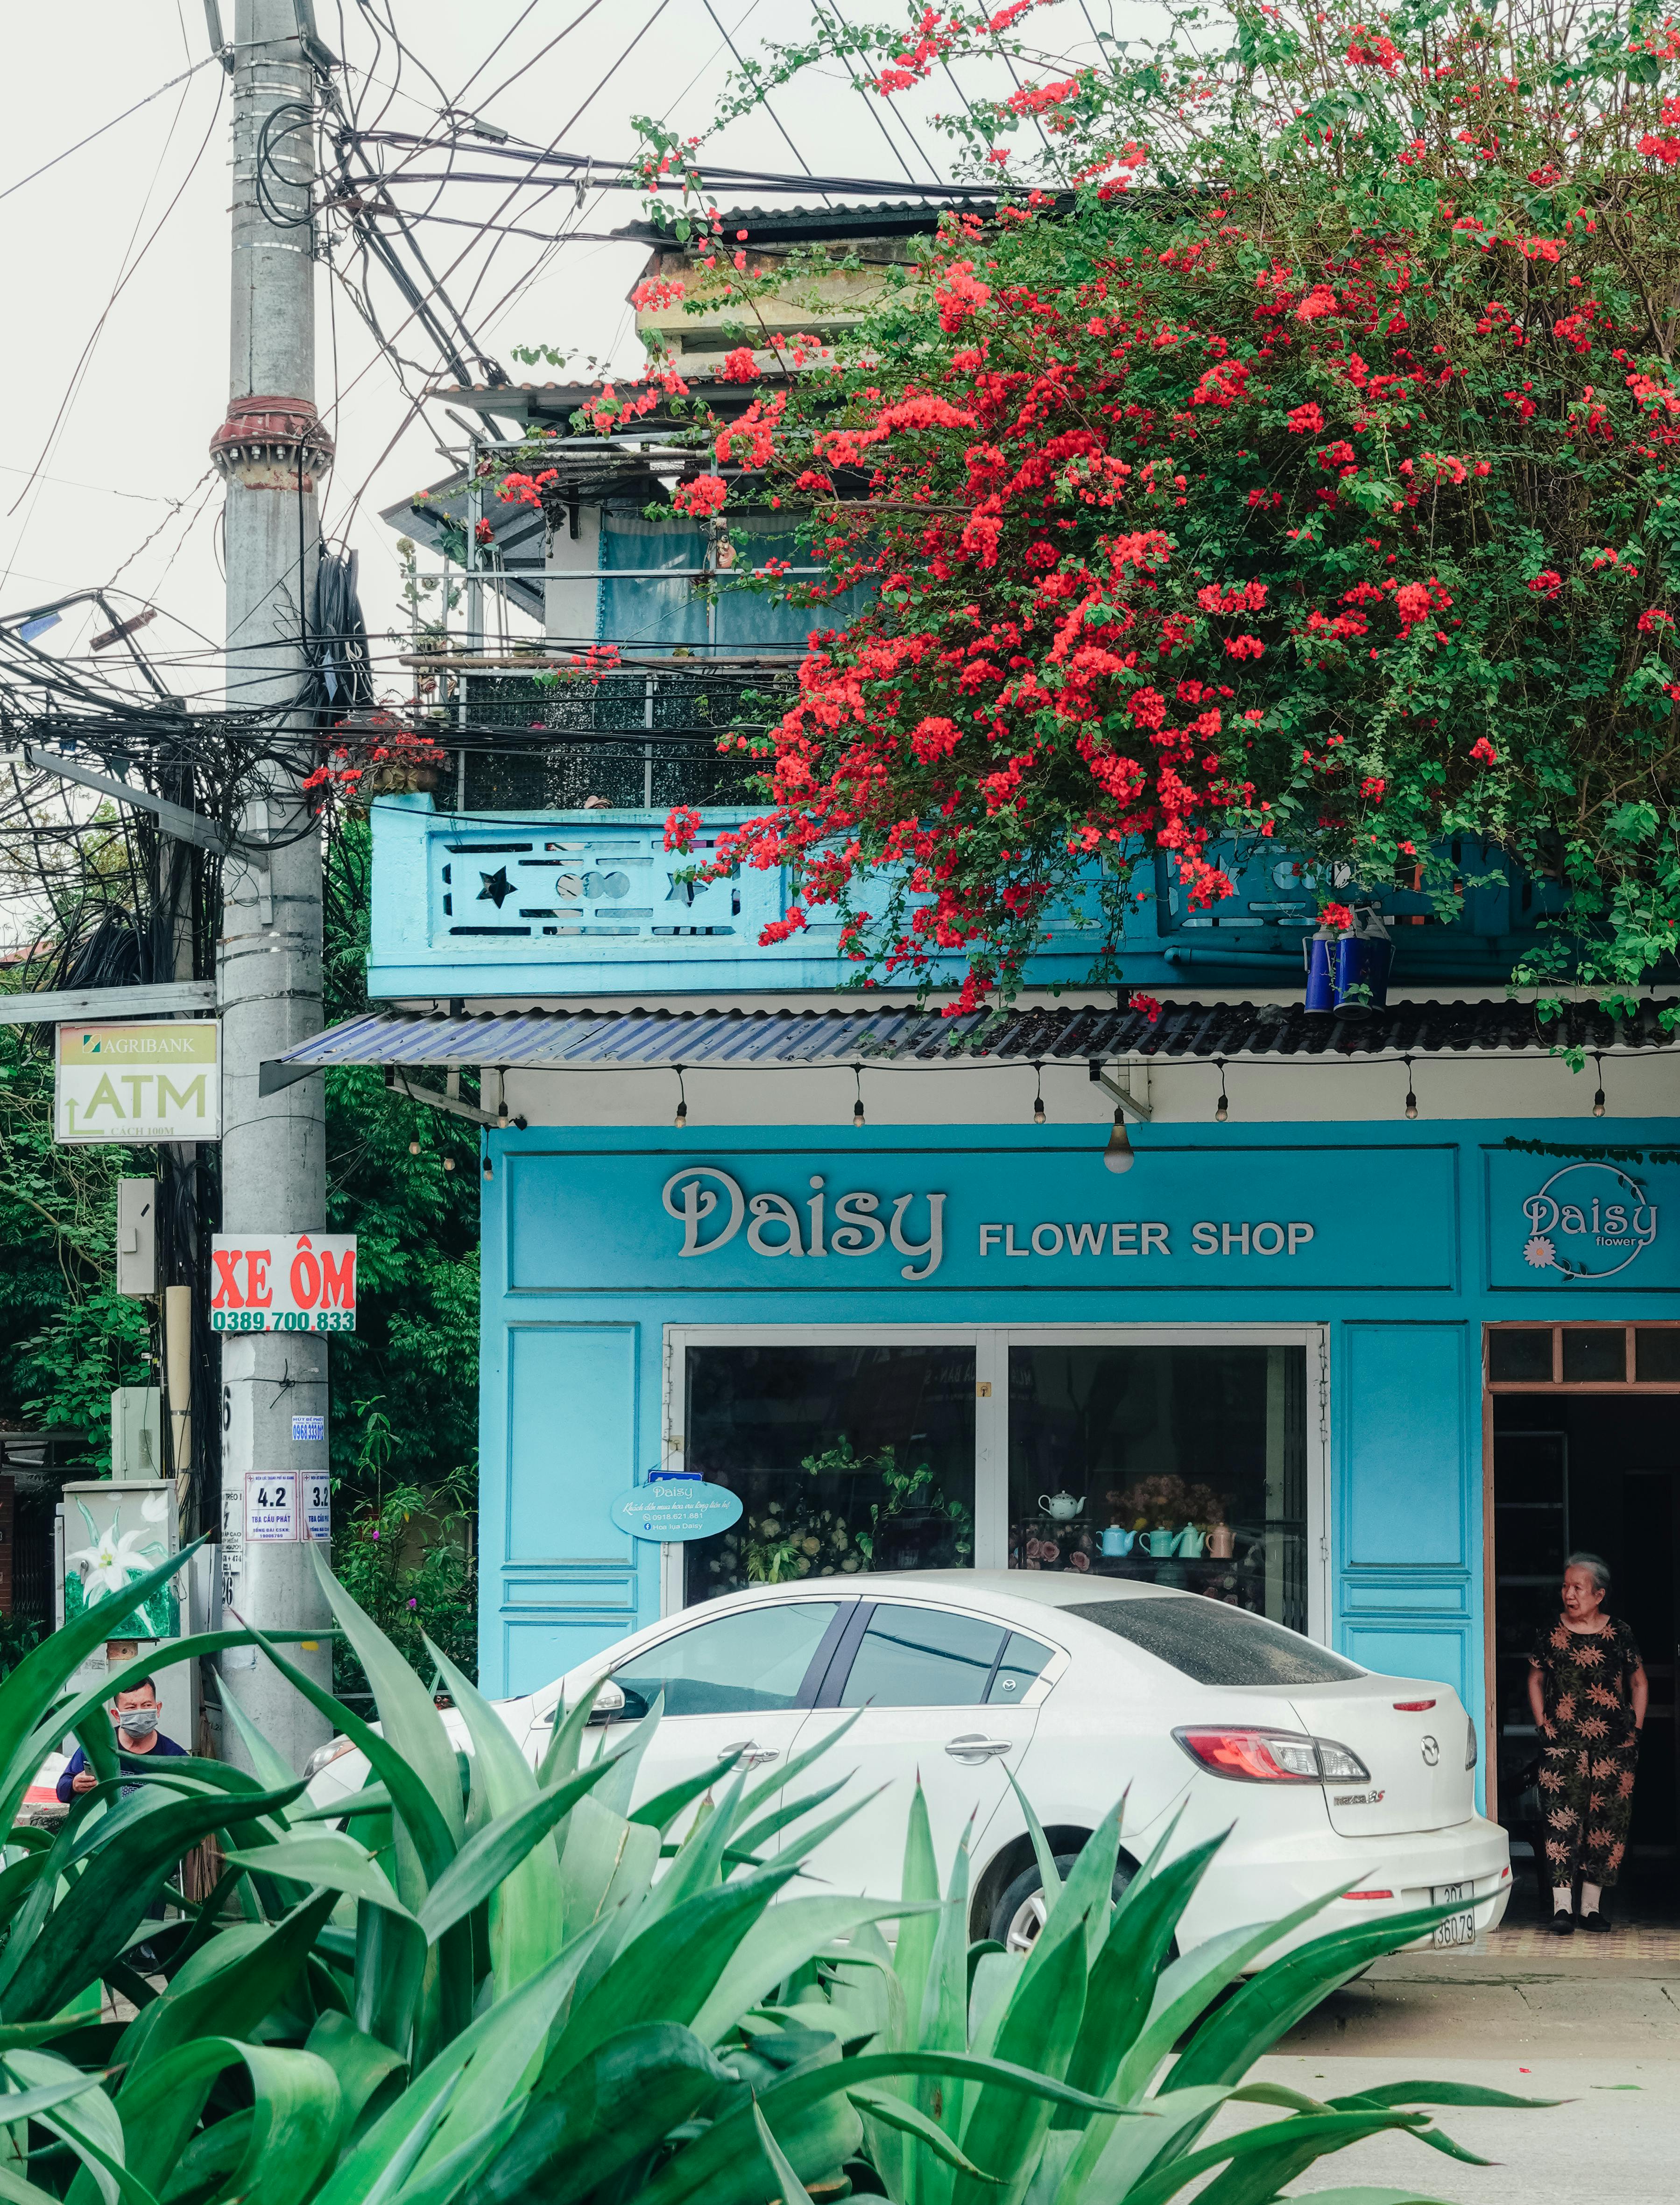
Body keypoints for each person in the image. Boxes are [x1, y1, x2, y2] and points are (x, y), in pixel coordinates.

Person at [1526, 1553, 1647, 1933]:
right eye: (1565, 1586)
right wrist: (1542, 1723)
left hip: (1614, 1748)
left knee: (1605, 1824)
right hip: (1562, 1744)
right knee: (1561, 1820)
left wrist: (1636, 1730)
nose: (1568, 1594)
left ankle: (1590, 1908)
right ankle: (1562, 1908)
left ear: (1599, 1595)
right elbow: (1535, 1679)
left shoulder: (1620, 1632)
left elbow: (1639, 1682)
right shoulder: (1551, 1633)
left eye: (1577, 1587)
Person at [56, 1678, 187, 1803]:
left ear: (157, 1709)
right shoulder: (99, 1746)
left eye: (146, 1705)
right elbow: (62, 1789)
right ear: (117, 1715)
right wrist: (74, 1785)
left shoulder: (174, 1757)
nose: (139, 1713)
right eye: (131, 1708)